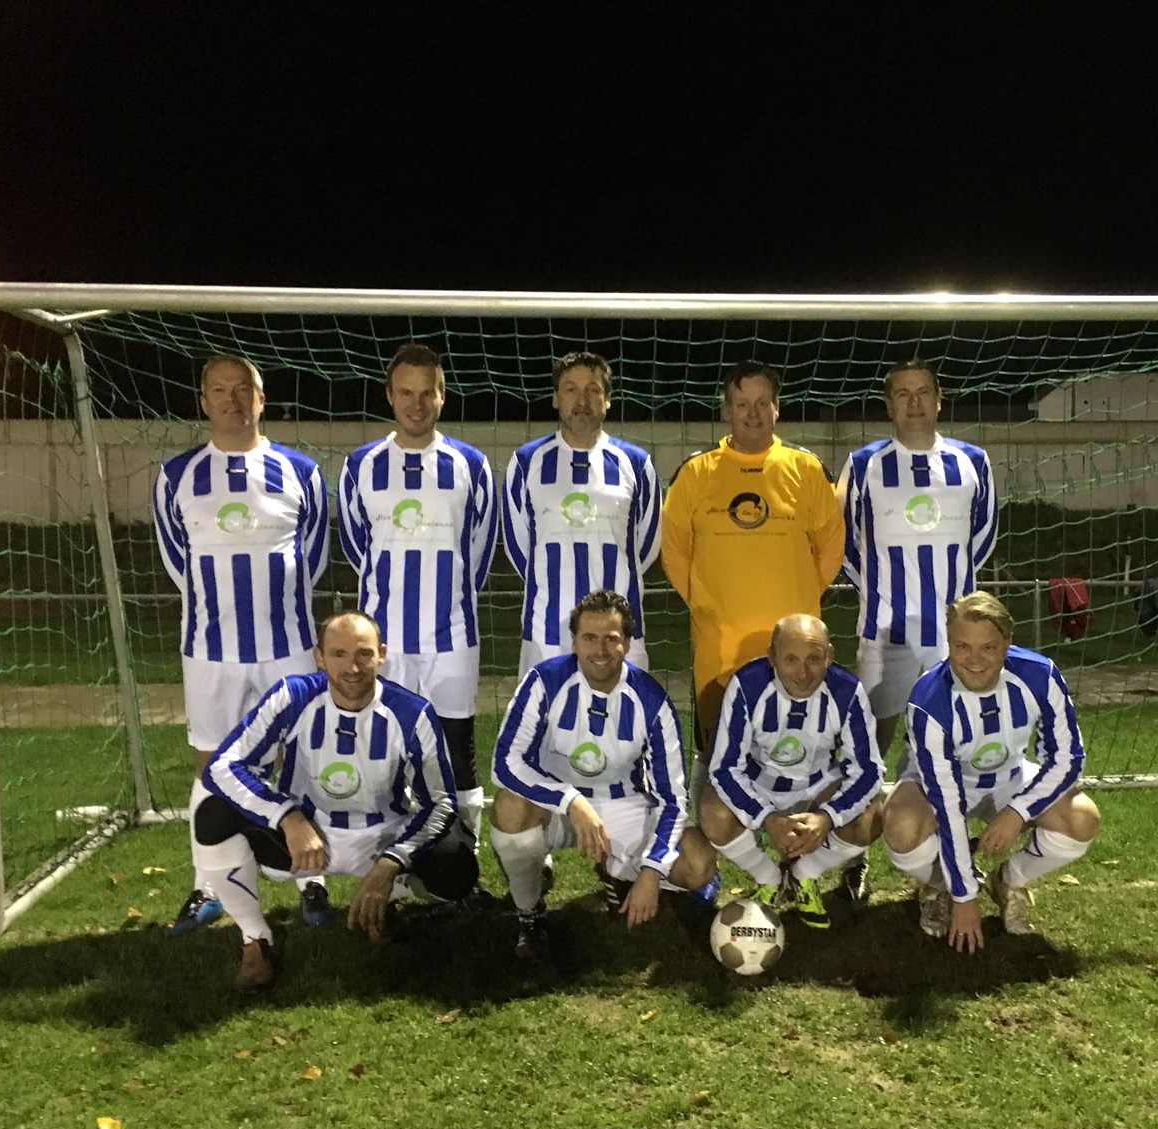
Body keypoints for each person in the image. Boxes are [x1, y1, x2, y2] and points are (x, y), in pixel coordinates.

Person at [195, 610, 478, 992]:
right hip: (306, 840)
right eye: (339, 654)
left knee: (458, 865)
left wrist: (390, 863)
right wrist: (287, 817)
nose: (353, 667)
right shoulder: (292, 697)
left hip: (381, 837)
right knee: (212, 815)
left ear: (382, 654)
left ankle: (383, 898)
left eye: (363, 654)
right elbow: (224, 766)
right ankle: (255, 938)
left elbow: (440, 802)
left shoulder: (411, 712)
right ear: (319, 657)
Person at [153, 353, 330, 935]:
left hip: (288, 647)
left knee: (298, 759)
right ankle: (210, 888)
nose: (232, 400)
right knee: (212, 766)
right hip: (211, 650)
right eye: (219, 390)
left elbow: (314, 558)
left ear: (262, 398)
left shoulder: (300, 471)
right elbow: (178, 562)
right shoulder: (176, 475)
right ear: (203, 401)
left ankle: (312, 883)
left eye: (243, 390)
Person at [489, 589, 717, 961]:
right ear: (574, 641)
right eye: (589, 638)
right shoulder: (544, 681)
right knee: (509, 807)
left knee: (698, 863)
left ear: (627, 643)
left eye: (611, 639)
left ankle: (623, 876)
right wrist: (571, 801)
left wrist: (651, 871)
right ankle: (530, 914)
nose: (600, 650)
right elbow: (505, 762)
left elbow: (672, 797)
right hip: (554, 803)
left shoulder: (651, 699)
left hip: (619, 803)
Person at [338, 342, 498, 851]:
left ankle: (462, 860)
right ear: (389, 396)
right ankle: (396, 863)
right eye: (405, 393)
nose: (416, 404)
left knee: (456, 749)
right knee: (387, 752)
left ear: (442, 397)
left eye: (426, 393)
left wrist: (448, 599)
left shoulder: (470, 465)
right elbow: (355, 545)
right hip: (383, 643)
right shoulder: (360, 465)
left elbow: (480, 547)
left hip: (451, 636)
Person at [881, 591, 1100, 952]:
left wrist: (1018, 812)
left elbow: (1067, 758)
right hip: (939, 787)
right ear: (948, 643)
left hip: (1010, 779)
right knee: (901, 825)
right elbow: (947, 800)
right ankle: (940, 887)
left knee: (1082, 818)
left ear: (1007, 644)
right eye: (962, 646)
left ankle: (1007, 880)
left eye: (989, 647)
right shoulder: (928, 699)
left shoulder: (1039, 675)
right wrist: (964, 897)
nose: (975, 660)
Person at [661, 361, 846, 758]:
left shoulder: (806, 469)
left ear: (777, 408)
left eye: (763, 403)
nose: (752, 413)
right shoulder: (695, 473)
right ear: (726, 410)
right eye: (742, 404)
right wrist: (710, 608)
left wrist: (798, 601)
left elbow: (831, 549)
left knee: (801, 763)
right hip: (720, 653)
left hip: (796, 658)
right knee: (719, 769)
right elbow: (674, 554)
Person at [840, 358, 996, 768]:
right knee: (865, 745)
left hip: (954, 632)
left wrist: (952, 594)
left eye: (923, 392)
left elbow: (981, 538)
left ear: (939, 400)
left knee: (952, 744)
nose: (914, 403)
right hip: (885, 628)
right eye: (903, 394)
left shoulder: (973, 461)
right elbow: (845, 543)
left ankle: (936, 822)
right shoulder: (863, 465)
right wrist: (878, 588)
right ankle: (852, 826)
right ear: (888, 405)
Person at [697, 614, 884, 929]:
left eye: (814, 658)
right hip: (759, 783)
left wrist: (828, 818)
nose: (803, 672)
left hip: (816, 784)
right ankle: (769, 879)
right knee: (712, 811)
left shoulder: (847, 690)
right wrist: (767, 819)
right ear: (772, 657)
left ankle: (803, 876)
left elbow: (868, 769)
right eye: (791, 660)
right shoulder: (747, 685)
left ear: (829, 655)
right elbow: (725, 768)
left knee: (873, 816)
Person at [502, 351, 662, 676]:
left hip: (620, 635)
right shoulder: (526, 462)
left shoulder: (636, 464)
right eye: (571, 389)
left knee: (623, 725)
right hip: (546, 634)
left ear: (607, 400)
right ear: (556, 398)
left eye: (593, 390)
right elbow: (520, 549)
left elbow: (645, 546)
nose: (582, 399)